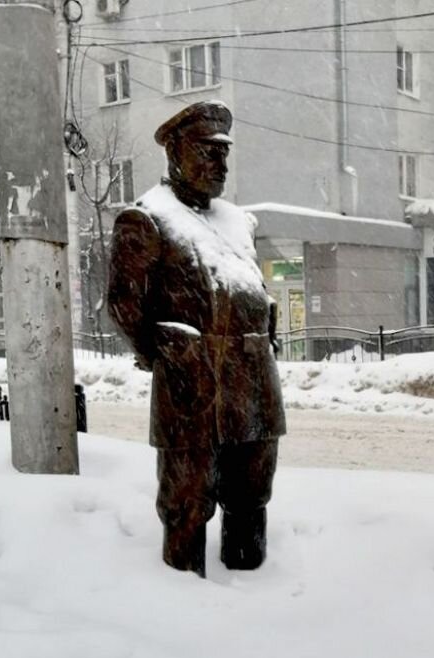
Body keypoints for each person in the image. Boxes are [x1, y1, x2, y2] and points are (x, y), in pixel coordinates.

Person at [106, 101, 285, 578]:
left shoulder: (238, 221)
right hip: (194, 390)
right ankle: (185, 602)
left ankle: (252, 588)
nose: (219, 164)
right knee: (188, 500)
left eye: (224, 154)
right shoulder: (148, 219)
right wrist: (169, 354)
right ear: (176, 153)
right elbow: (125, 305)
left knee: (251, 493)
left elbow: (255, 295)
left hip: (252, 388)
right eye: (208, 152)